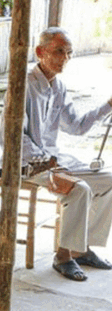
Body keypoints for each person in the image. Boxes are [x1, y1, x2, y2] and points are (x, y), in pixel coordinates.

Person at [10, 27, 112, 281]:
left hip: (54, 160)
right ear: (40, 52)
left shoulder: (59, 87)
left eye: (69, 53)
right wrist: (47, 163)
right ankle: (63, 256)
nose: (65, 58)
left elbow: (77, 126)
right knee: (79, 189)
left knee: (109, 180)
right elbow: (12, 139)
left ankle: (80, 248)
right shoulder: (23, 85)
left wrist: (108, 106)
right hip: (26, 163)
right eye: (58, 52)